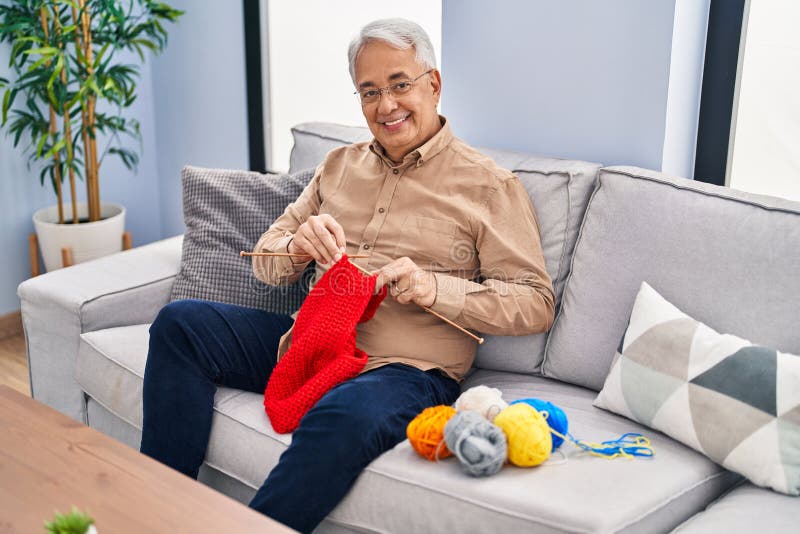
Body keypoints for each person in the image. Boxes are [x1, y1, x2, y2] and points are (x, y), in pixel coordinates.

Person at [140, 18, 554, 533]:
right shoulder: (338, 166)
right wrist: (295, 247)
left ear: (434, 84)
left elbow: (535, 302)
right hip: (311, 340)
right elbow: (267, 260)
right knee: (180, 324)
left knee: (342, 415)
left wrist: (435, 288)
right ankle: (155, 513)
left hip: (405, 369)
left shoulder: (489, 186)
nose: (387, 105)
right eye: (370, 91)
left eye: (400, 84)